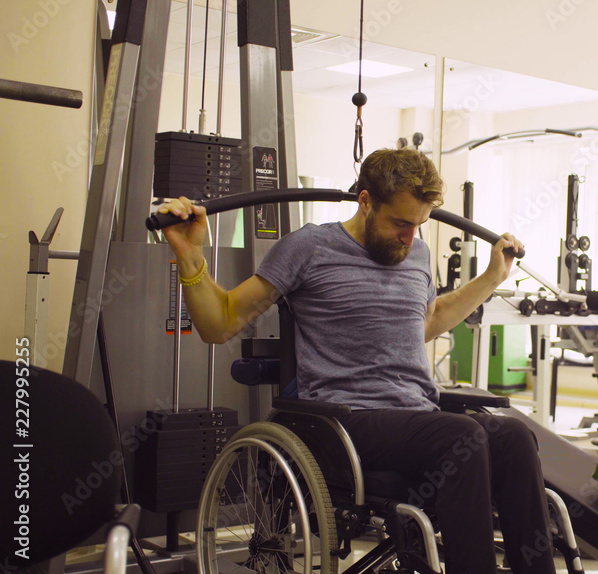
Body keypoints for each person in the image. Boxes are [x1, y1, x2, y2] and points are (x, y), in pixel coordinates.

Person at [158, 148, 557, 574]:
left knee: (514, 436)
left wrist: (493, 277)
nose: (410, 237)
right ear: (365, 201)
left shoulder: (416, 255)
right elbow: (221, 323)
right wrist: (189, 254)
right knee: (460, 435)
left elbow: (428, 320)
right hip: (345, 420)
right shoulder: (308, 247)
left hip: (415, 420)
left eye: (418, 225)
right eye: (401, 223)